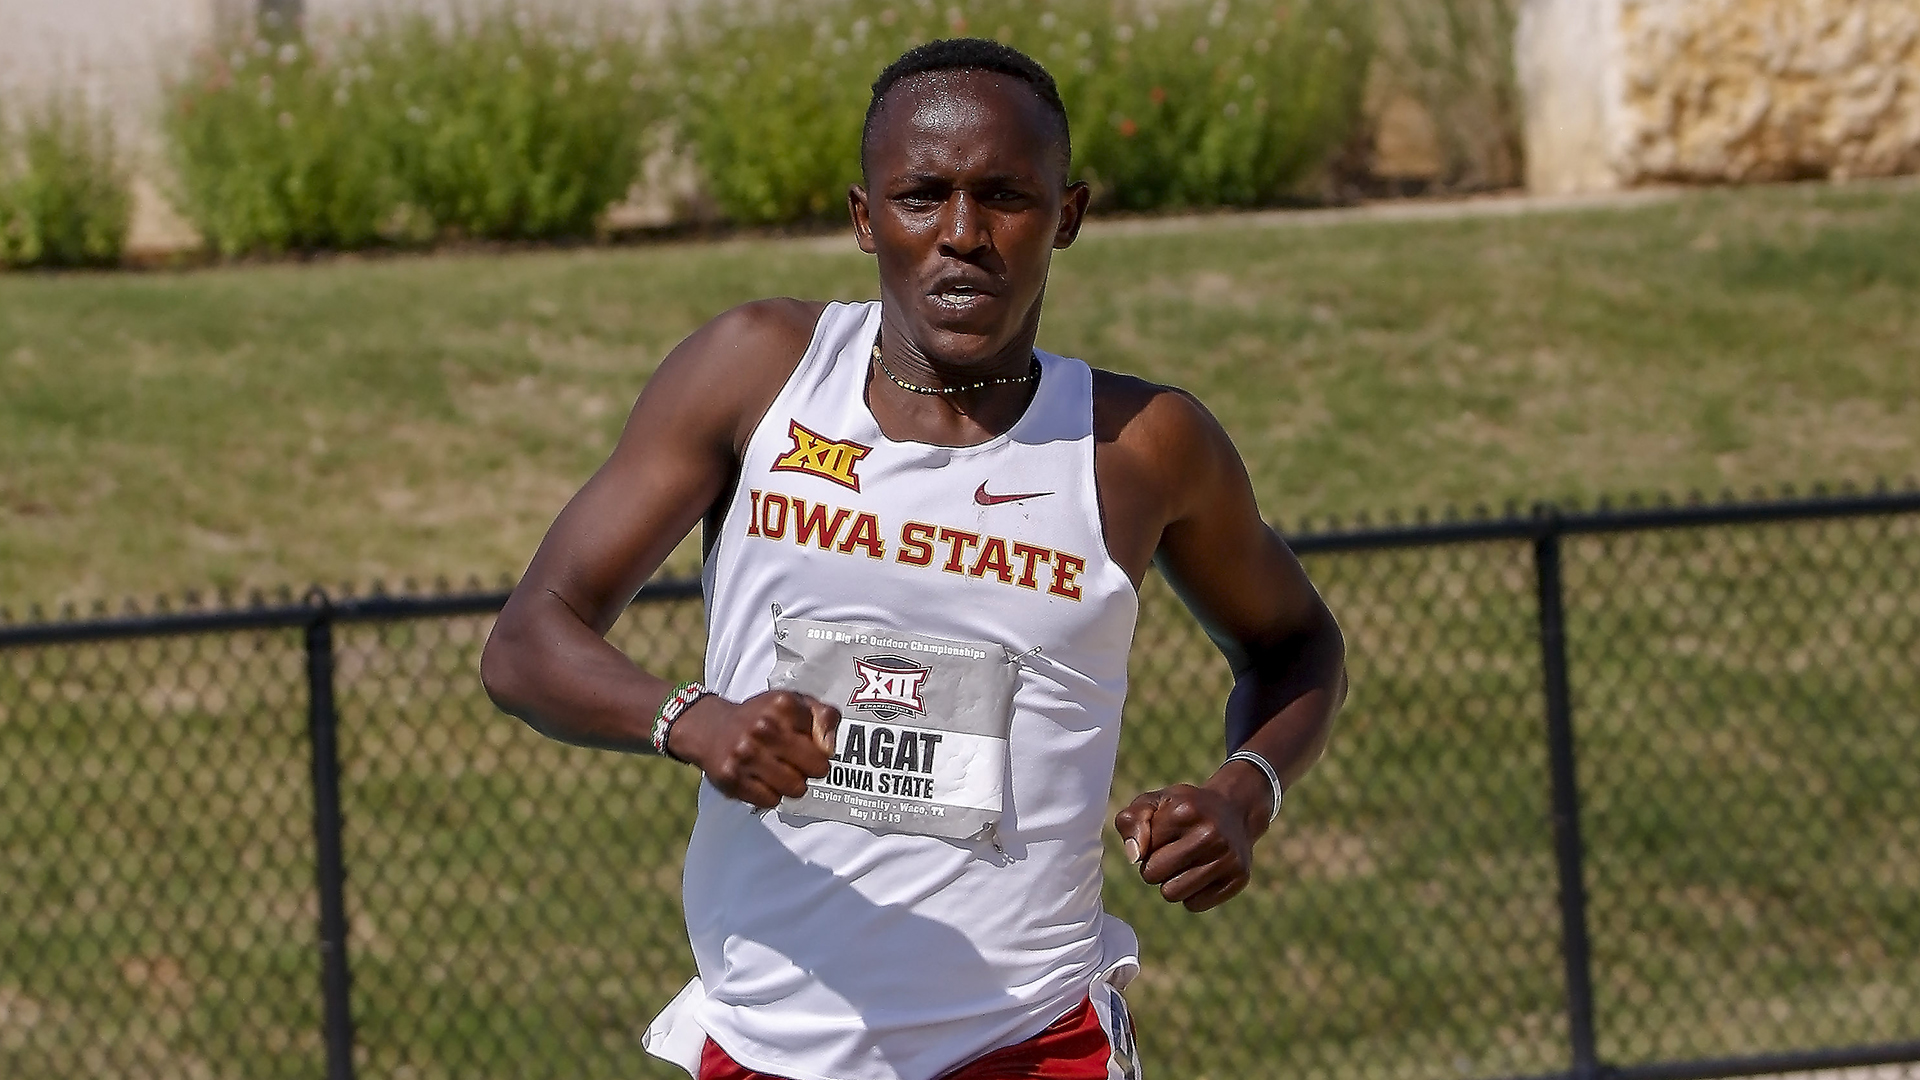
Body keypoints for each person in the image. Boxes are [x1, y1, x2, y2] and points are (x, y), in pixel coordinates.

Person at [480, 37, 1347, 1080]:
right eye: (922, 195)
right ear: (864, 218)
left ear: (1066, 217)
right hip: (771, 1040)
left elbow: (1295, 641)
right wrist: (695, 722)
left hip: (1033, 1043)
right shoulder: (757, 373)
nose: (963, 236)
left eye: (1006, 198)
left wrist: (1245, 792)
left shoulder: (1142, 444)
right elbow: (529, 640)